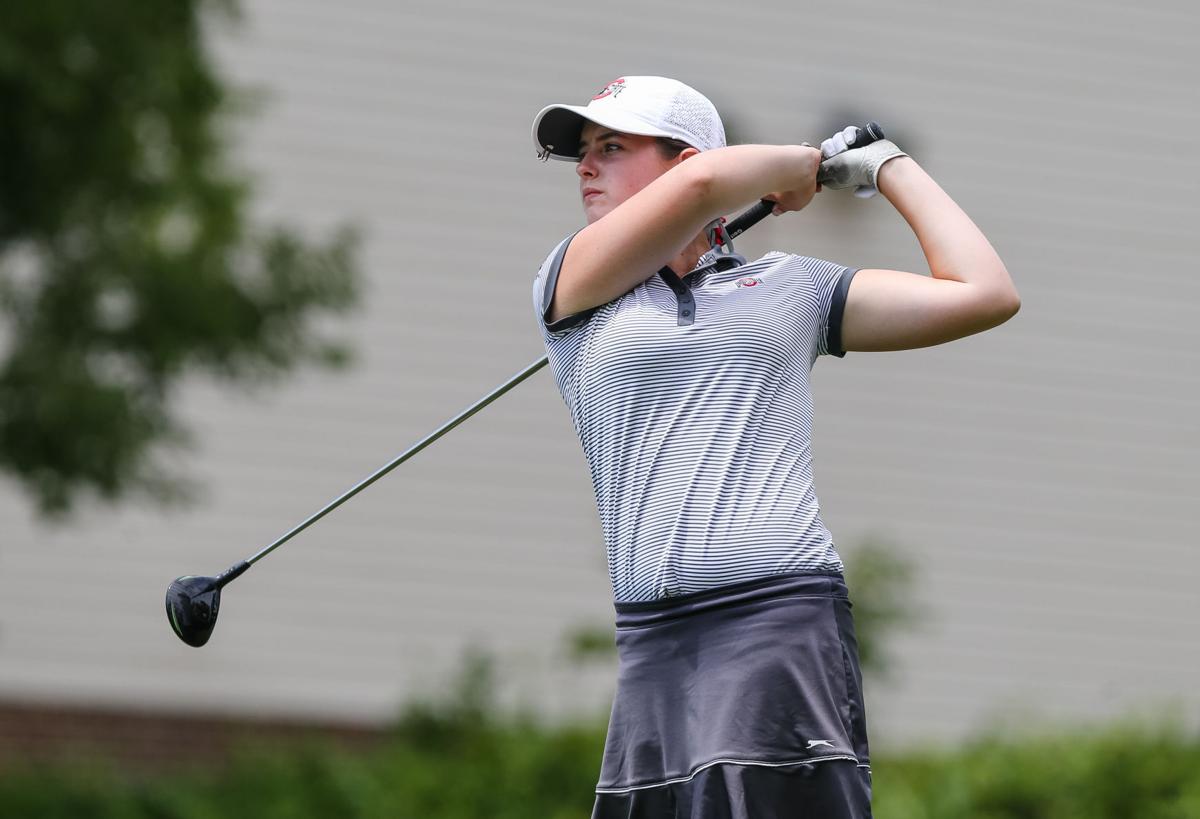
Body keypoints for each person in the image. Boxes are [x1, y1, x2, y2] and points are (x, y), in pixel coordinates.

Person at [529, 76, 1019, 819]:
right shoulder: (573, 283)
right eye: (582, 152)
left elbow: (984, 292)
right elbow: (702, 185)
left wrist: (887, 165)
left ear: (679, 156)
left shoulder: (789, 287)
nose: (585, 167)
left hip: (777, 619)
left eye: (612, 146)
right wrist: (796, 164)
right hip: (655, 644)